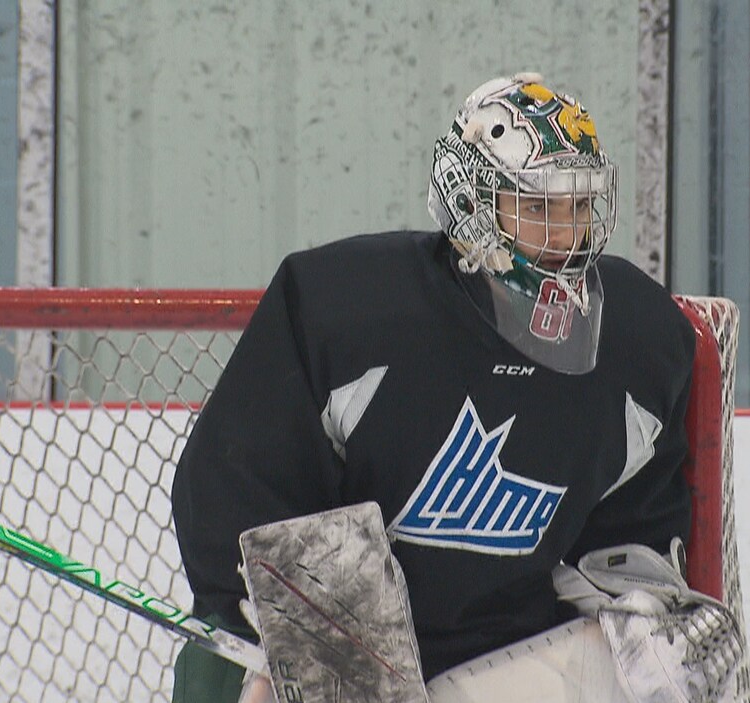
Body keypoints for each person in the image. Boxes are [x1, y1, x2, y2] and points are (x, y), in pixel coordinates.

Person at [170, 72, 697, 701]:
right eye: (537, 207)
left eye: (579, 207)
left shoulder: (635, 340)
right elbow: (237, 490)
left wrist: (639, 621)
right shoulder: (352, 310)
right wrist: (316, 645)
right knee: (221, 674)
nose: (566, 238)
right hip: (317, 632)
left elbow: (630, 534)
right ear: (471, 203)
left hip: (496, 653)